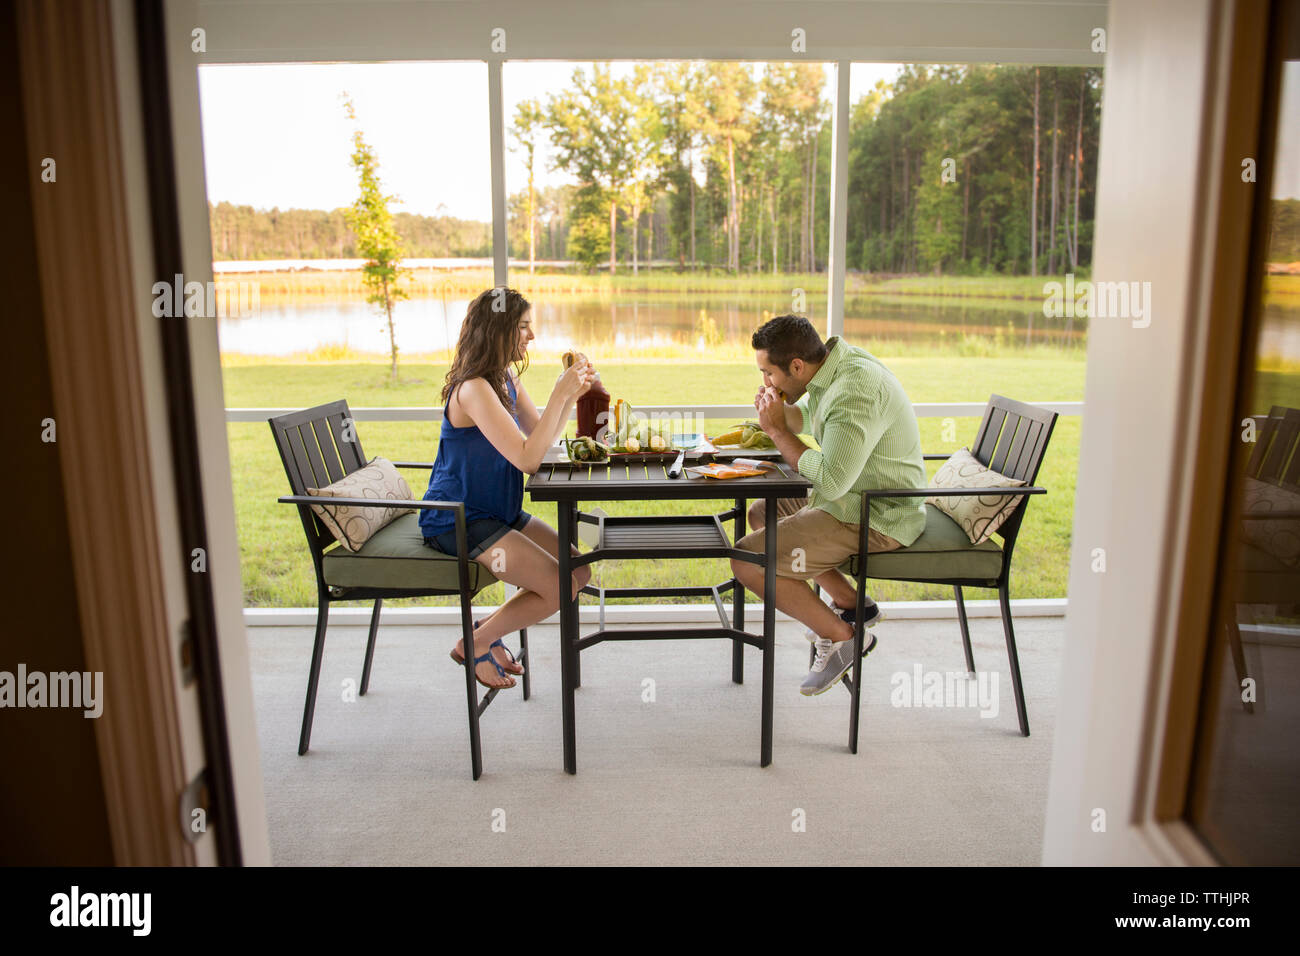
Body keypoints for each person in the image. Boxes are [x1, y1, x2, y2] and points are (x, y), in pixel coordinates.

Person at [728, 314, 927, 696]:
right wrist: (779, 414)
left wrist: (775, 430)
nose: (766, 381)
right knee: (760, 513)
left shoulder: (855, 391)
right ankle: (853, 603)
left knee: (746, 560)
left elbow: (832, 479)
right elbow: (813, 416)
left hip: (877, 515)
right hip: (852, 498)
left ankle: (843, 636)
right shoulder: (835, 364)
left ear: (797, 366)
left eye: (768, 373)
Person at [420, 287, 595, 690]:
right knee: (558, 586)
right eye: (522, 328)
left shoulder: (504, 378)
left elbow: (542, 440)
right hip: (460, 521)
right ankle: (475, 643)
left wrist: (571, 397)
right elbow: (528, 460)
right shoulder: (474, 388)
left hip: (499, 513)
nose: (530, 337)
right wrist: (560, 392)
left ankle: (487, 630)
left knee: (579, 570)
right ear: (497, 331)